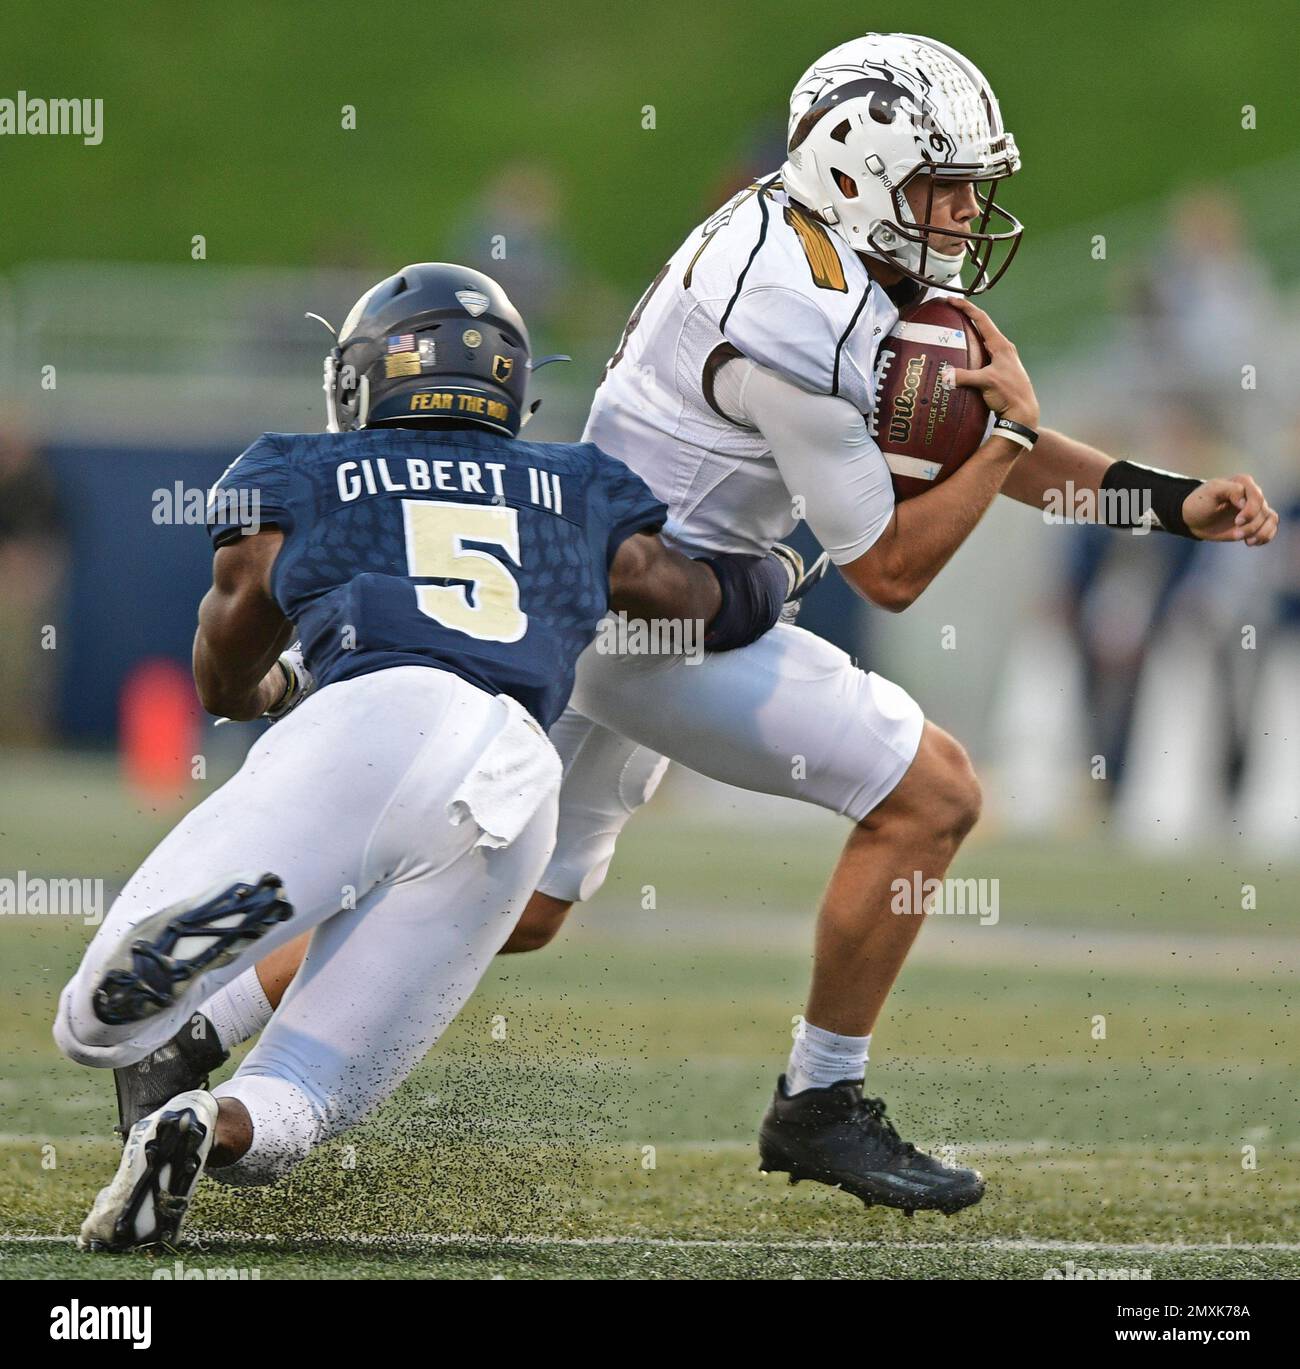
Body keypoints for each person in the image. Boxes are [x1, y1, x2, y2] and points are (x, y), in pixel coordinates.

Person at [136, 32, 1281, 1219]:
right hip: (658, 621)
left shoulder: (827, 246)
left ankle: (190, 1037)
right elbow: (891, 564)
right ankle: (820, 1101)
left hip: (610, 597)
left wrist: (1163, 503)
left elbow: (975, 439)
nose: (966, 213)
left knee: (517, 909)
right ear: (860, 170)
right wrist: (999, 444)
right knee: (934, 794)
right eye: (945, 185)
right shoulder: (798, 311)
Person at [53, 262, 808, 1252]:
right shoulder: (574, 486)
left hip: (371, 719)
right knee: (308, 1091)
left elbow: (223, 669)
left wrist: (271, 687)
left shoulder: (302, 471)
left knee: (89, 1027)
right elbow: (696, 601)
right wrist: (787, 564)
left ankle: (197, 947)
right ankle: (201, 1124)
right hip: (512, 780)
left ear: (366, 376)